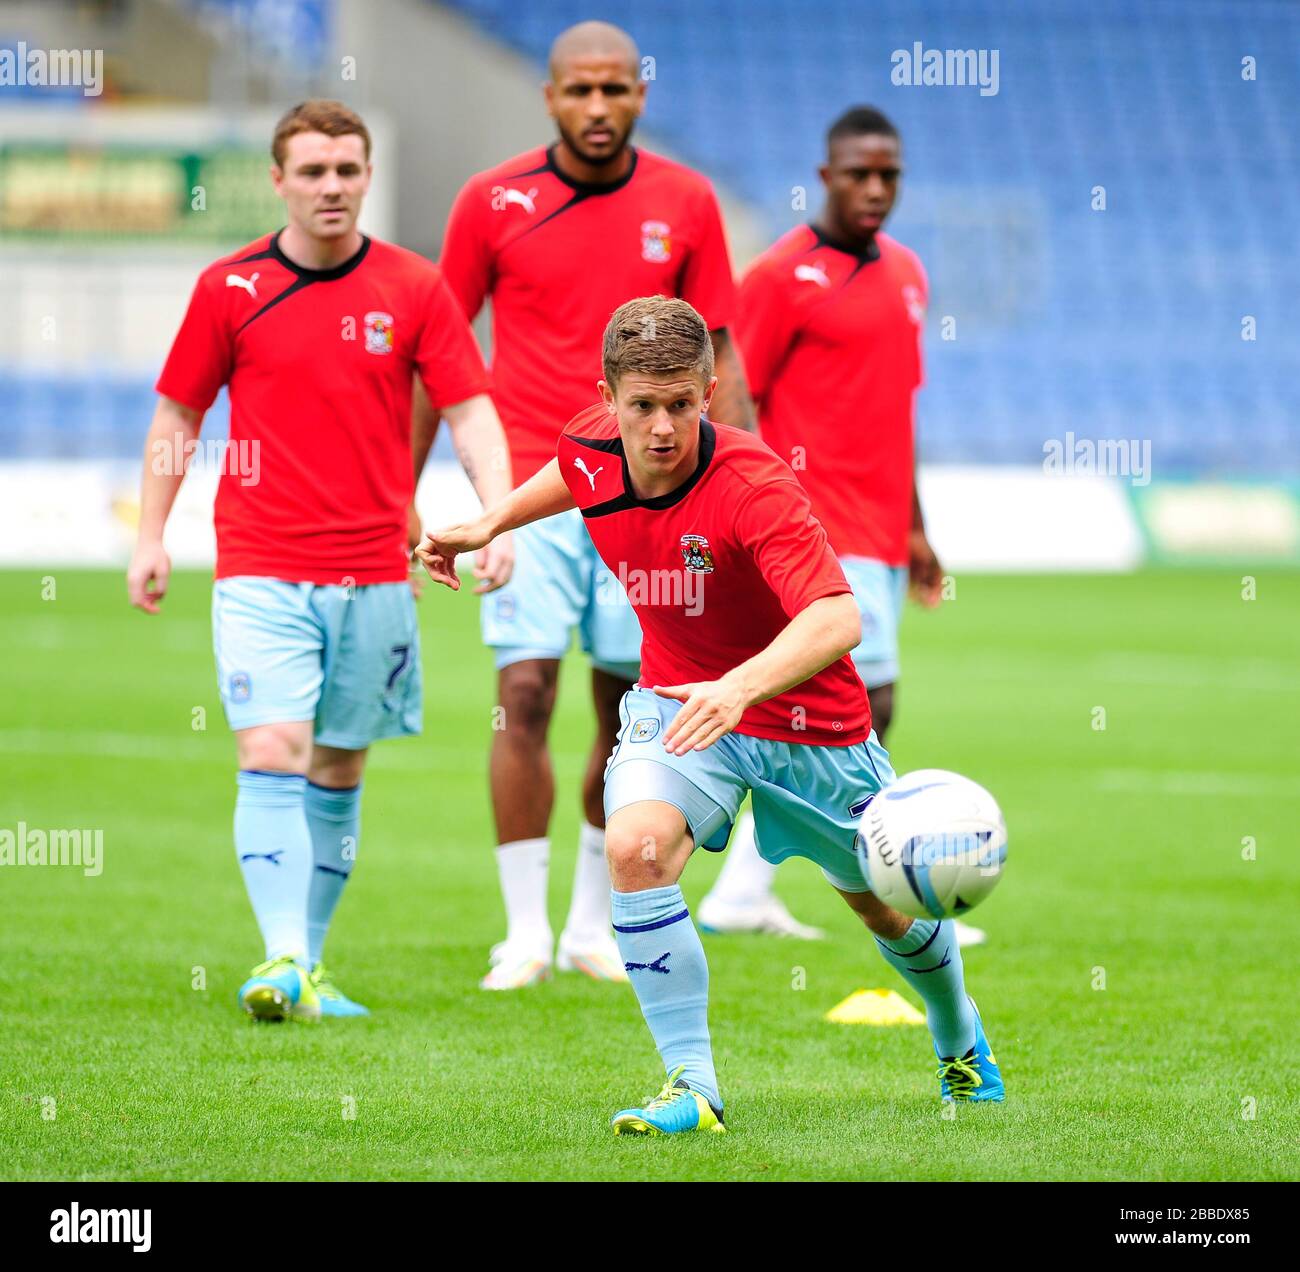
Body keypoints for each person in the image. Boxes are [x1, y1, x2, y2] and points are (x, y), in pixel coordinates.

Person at [416, 297, 1003, 1132]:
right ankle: (692, 1087)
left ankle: (960, 1039)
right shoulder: (593, 443)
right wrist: (487, 522)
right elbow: (575, 471)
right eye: (642, 407)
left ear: (710, 390)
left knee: (882, 905)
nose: (661, 428)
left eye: (682, 405)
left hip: (807, 723)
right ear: (610, 397)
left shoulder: (753, 482)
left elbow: (838, 618)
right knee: (637, 847)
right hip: (682, 707)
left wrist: (743, 686)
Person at [127, 99, 512, 1020]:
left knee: (339, 768)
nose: (331, 187)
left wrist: (495, 520)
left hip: (376, 571)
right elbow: (179, 416)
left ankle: (313, 962)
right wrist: (151, 534)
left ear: (367, 176)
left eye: (347, 170)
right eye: (312, 171)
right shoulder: (230, 288)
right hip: (260, 564)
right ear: (278, 180)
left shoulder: (415, 288)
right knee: (272, 747)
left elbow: (471, 413)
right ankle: (282, 955)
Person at [426, 19, 775, 990]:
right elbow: (441, 352)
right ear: (549, 97)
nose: (596, 106)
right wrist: (418, 496)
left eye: (614, 89)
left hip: (653, 502)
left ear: (639, 95)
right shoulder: (491, 200)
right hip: (532, 491)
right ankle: (521, 933)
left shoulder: (685, 200)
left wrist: (740, 484)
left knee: (627, 712)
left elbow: (721, 355)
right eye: (578, 90)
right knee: (523, 695)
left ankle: (587, 926)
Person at [698, 105, 986, 948]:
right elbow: (732, 398)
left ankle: (745, 889)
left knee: (844, 707)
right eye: (858, 173)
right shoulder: (782, 276)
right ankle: (890, 882)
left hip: (879, 528)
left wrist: (917, 529)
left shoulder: (907, 273)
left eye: (888, 174)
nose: (874, 188)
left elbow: (898, 409)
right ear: (824, 177)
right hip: (809, 527)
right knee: (866, 701)